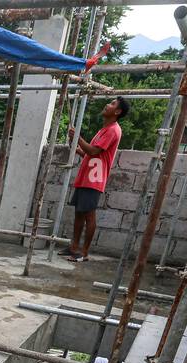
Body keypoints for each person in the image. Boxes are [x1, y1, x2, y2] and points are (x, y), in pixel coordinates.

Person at [60, 97, 128, 263]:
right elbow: (89, 154)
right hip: (87, 177)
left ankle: (84, 252)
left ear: (117, 112)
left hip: (94, 179)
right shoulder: (104, 129)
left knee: (89, 215)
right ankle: (74, 247)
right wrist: (76, 147)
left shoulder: (113, 130)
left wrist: (78, 137)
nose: (107, 105)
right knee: (79, 213)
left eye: (112, 104)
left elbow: (93, 151)